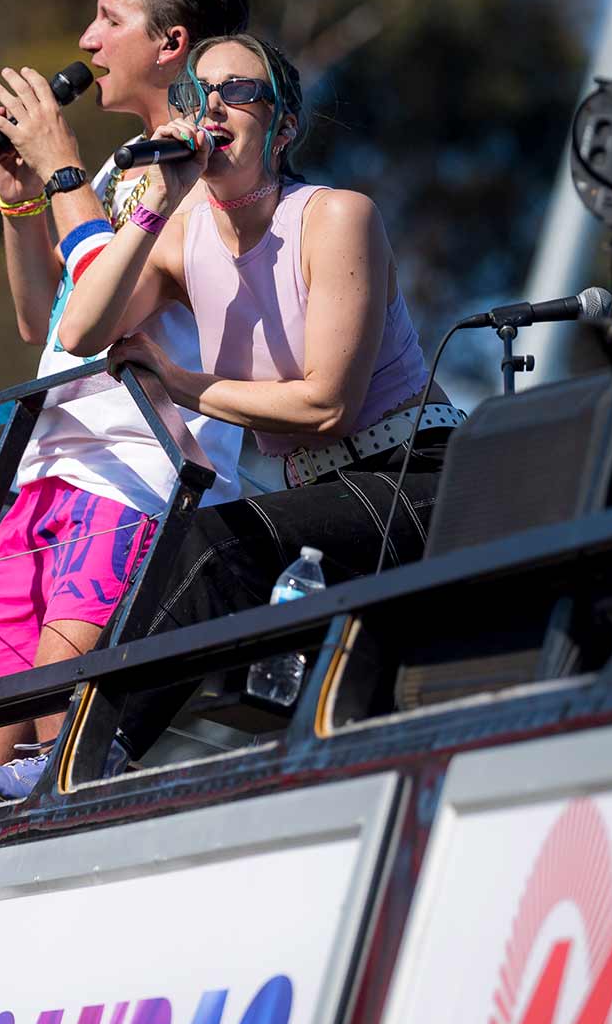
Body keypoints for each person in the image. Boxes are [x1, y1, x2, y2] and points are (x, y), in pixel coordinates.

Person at [0, 0, 252, 809]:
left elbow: (116, 307)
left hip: (136, 472)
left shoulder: (204, 159)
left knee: (51, 744)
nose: (85, 40)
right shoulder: (115, 170)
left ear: (170, 43)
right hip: (48, 466)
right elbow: (51, 325)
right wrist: (20, 197)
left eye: (109, 19)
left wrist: (60, 165)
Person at [50, 33, 458, 652]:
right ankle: (86, 746)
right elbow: (80, 332)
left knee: (213, 545)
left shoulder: (335, 216)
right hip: (318, 493)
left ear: (284, 128)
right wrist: (156, 201)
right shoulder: (181, 234)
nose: (212, 107)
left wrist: (177, 383)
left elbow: (327, 406)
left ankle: (87, 748)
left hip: (413, 473)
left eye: (238, 92)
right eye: (196, 93)